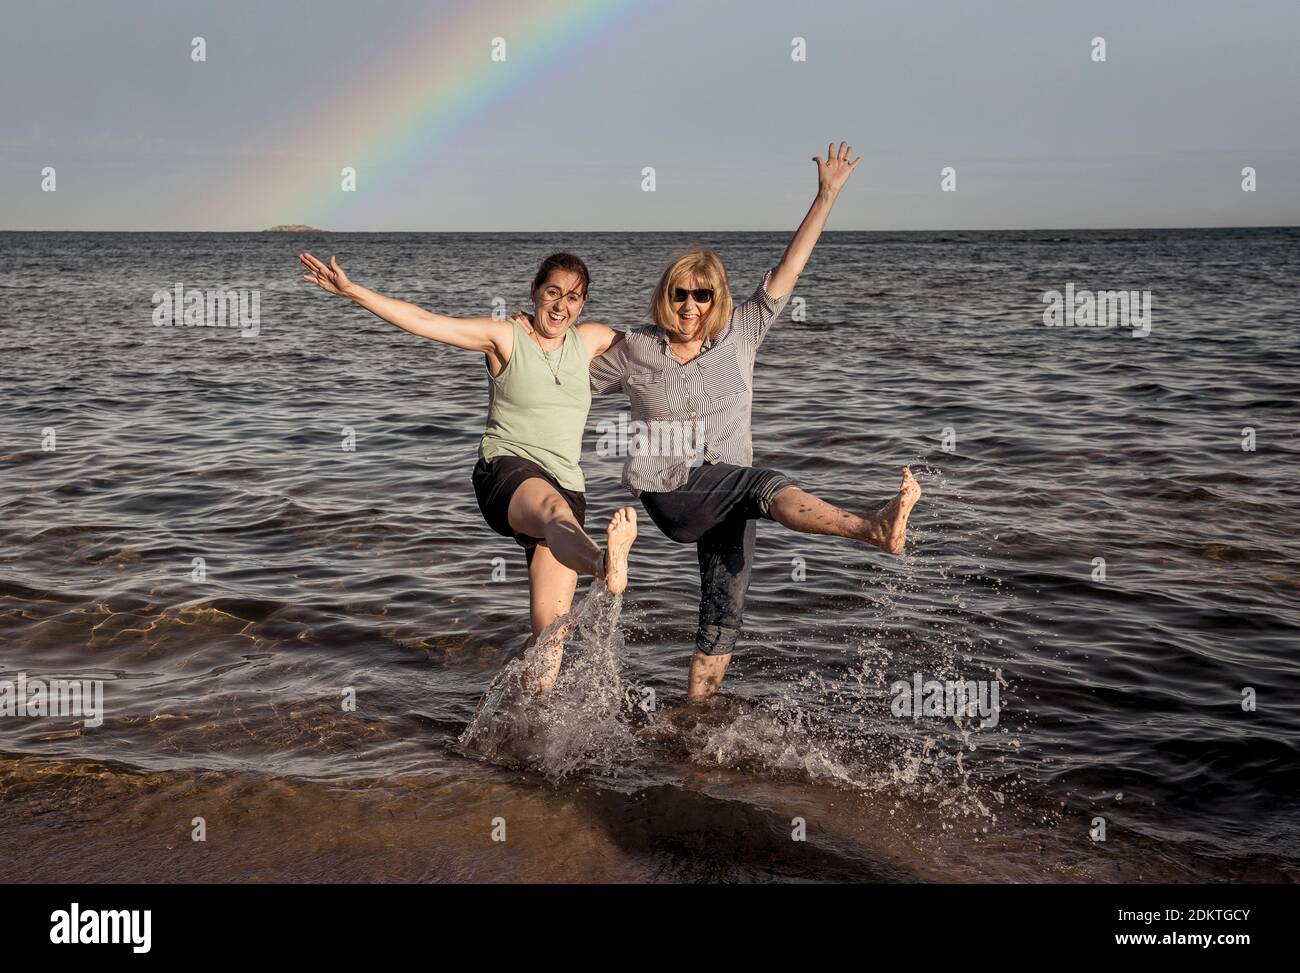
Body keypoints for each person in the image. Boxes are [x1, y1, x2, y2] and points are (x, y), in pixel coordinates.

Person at [539, 142, 922, 702]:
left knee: (723, 613)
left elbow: (789, 268)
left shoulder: (741, 333)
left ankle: (695, 726)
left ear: (717, 297)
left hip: (730, 493)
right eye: (680, 294)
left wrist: (827, 194)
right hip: (670, 489)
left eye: (702, 294)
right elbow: (564, 375)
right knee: (762, 481)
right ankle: (870, 527)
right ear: (665, 298)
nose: (690, 304)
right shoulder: (638, 348)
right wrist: (516, 340)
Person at [298, 250, 637, 693]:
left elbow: (660, 346)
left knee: (551, 635)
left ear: (583, 304)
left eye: (573, 298)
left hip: (568, 482)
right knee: (555, 513)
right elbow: (425, 320)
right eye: (552, 293)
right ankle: (604, 562)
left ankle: (531, 729)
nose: (561, 306)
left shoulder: (590, 339)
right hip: (508, 471)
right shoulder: (504, 337)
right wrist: (352, 290)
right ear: (535, 291)